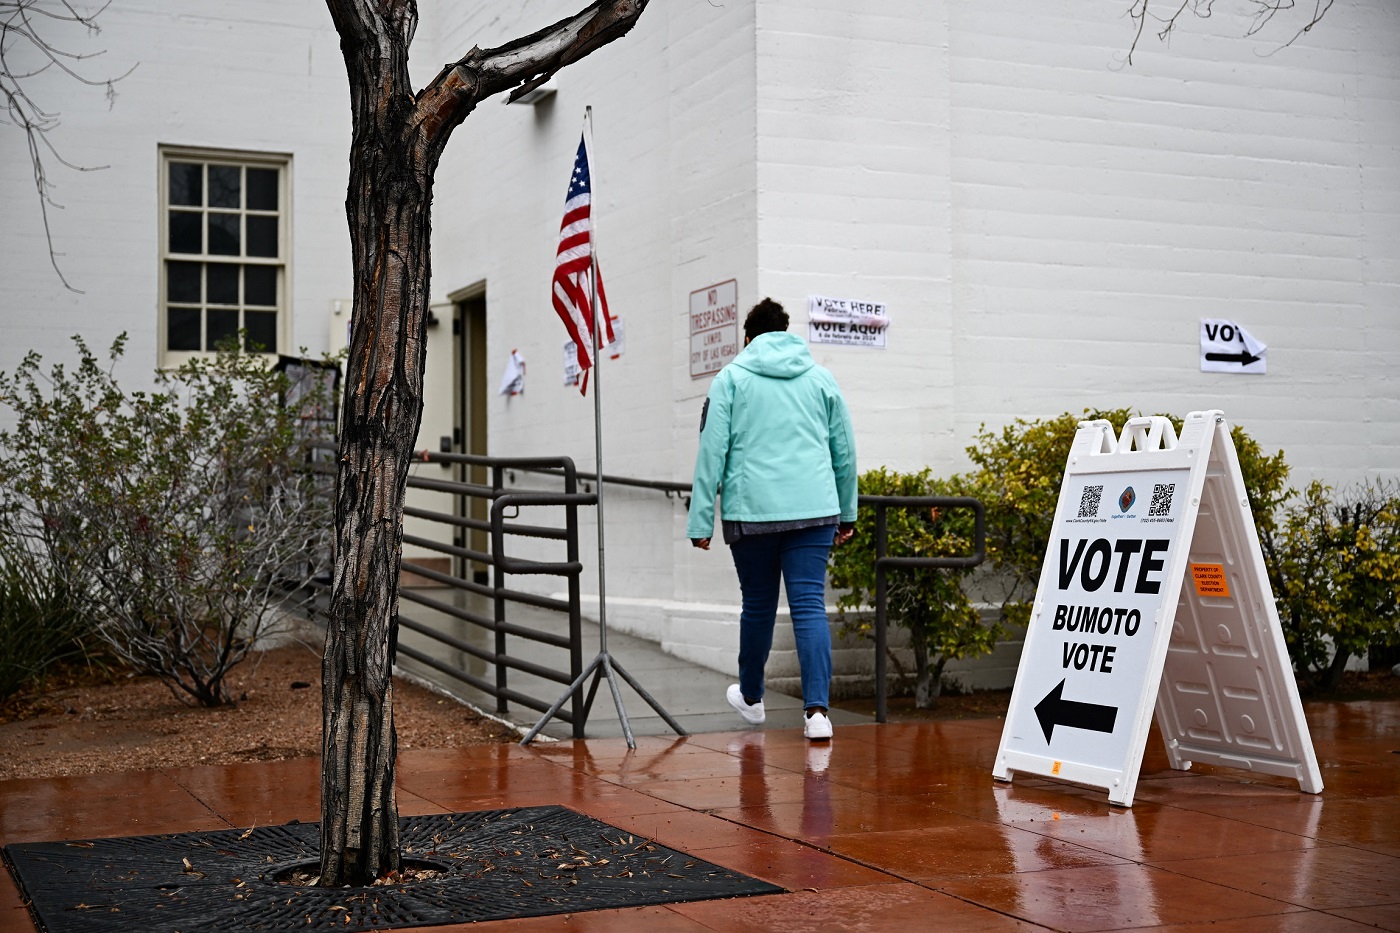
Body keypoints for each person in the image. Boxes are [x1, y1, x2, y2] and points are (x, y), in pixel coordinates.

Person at [687, 298, 857, 741]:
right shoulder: (821, 379)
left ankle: (752, 696)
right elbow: (844, 451)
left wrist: (700, 520)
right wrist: (849, 511)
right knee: (808, 606)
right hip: (815, 510)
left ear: (748, 339)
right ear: (785, 333)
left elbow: (711, 453)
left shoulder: (731, 380)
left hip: (752, 511)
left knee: (758, 605)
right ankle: (817, 713)